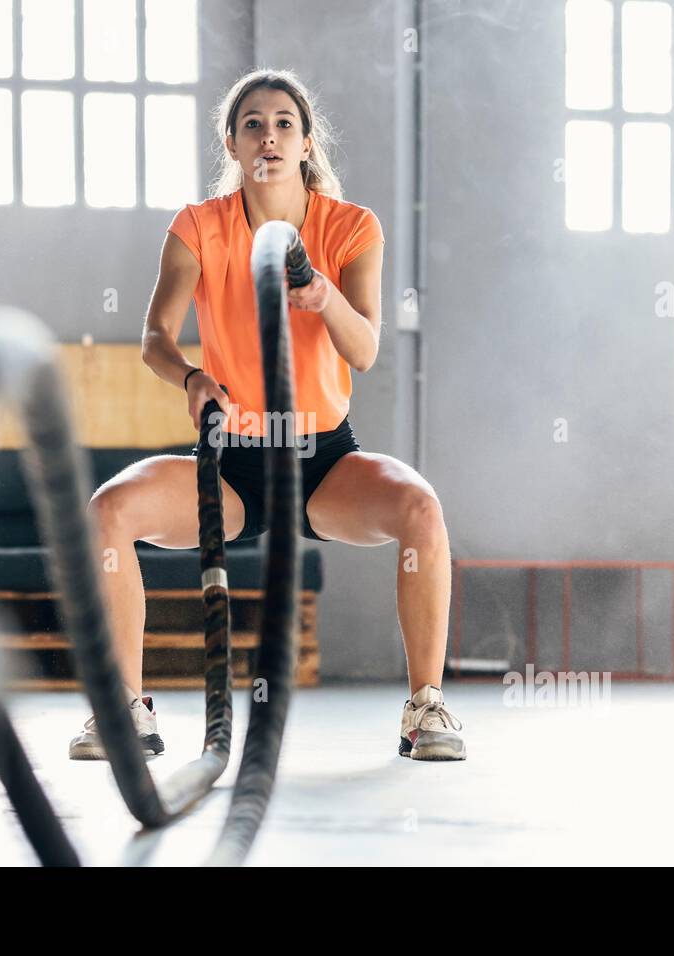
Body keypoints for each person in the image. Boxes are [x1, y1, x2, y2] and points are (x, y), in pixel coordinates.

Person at [69, 69, 464, 762]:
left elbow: (365, 349)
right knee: (108, 512)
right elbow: (155, 337)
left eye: (284, 123)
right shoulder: (200, 227)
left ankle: (425, 706)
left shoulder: (351, 227)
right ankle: (123, 708)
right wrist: (191, 377)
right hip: (232, 464)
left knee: (421, 510)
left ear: (307, 141)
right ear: (232, 141)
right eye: (252, 124)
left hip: (323, 462)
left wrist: (325, 299)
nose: (269, 136)